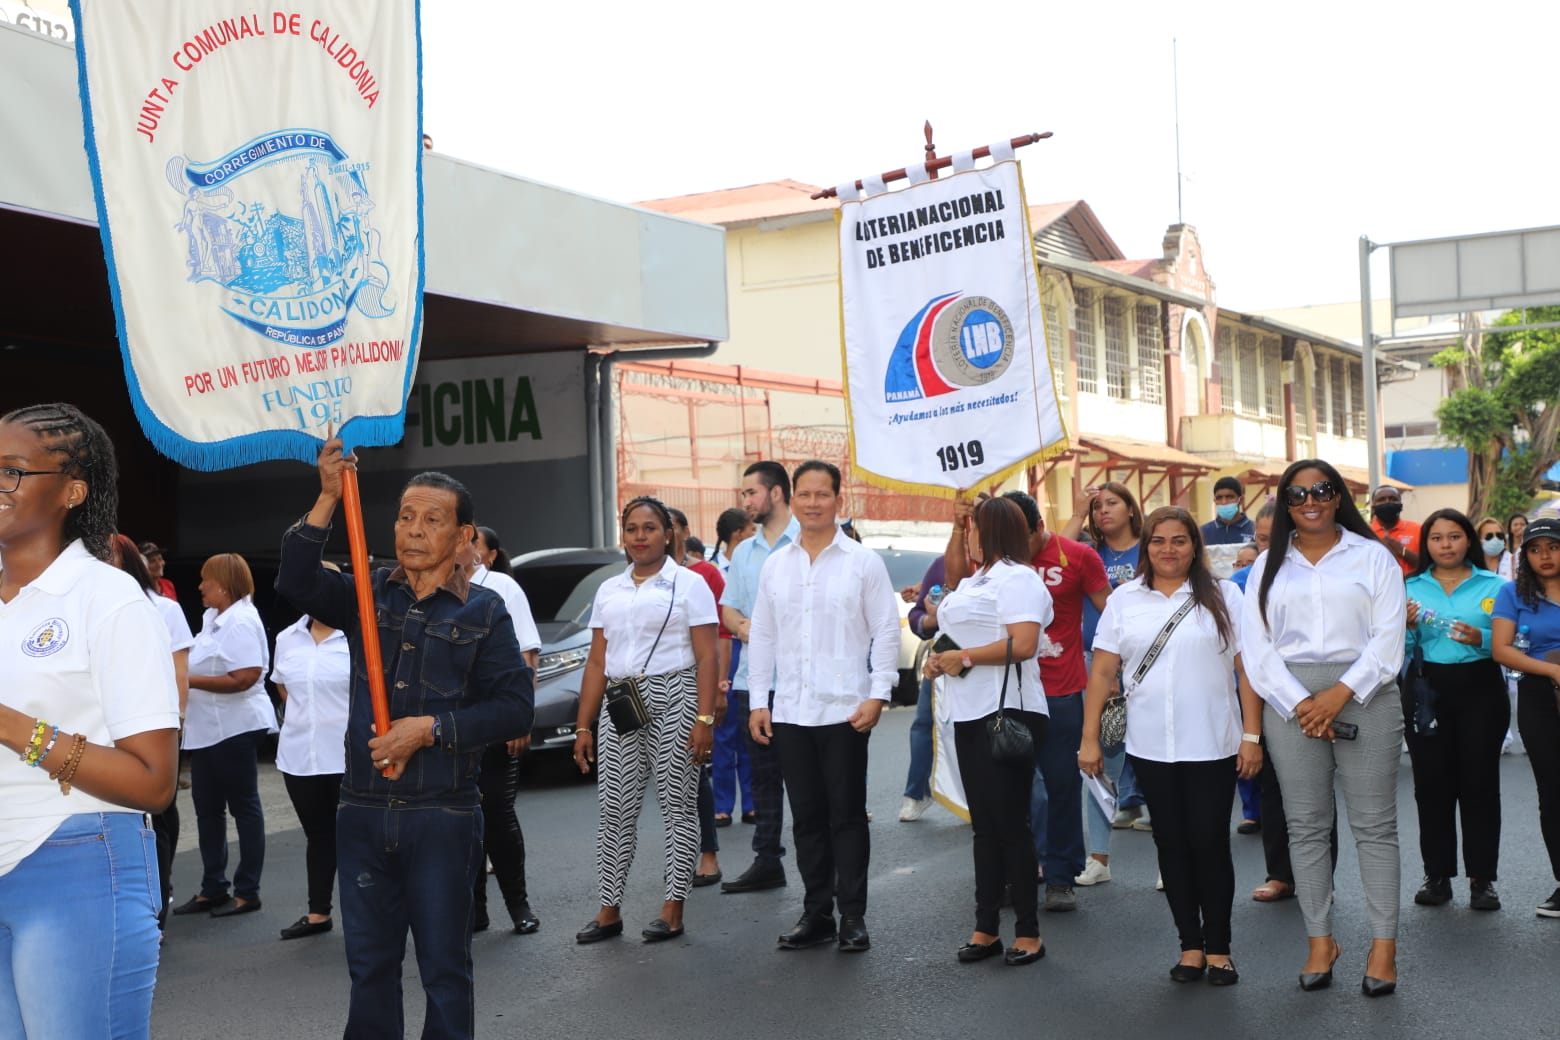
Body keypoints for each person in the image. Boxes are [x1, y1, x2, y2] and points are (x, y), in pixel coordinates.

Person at [275, 439, 533, 1040]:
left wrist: (432, 730)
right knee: (369, 968)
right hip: (361, 811)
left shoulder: (486, 613)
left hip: (441, 813)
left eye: (432, 519)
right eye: (405, 516)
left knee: (445, 969)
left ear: (465, 535)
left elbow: (515, 708)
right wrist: (328, 496)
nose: (414, 530)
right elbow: (295, 579)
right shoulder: (366, 592)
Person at [0, 402, 180, 1037]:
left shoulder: (108, 599)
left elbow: (154, 783)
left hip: (76, 861)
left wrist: (9, 723)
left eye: (12, 471)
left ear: (72, 491)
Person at [1241, 459, 1406, 997]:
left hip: (1366, 692)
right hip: (1291, 701)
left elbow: (1388, 641)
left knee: (1374, 828)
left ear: (1339, 497)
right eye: (1296, 494)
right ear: (1284, 503)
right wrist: (1301, 702)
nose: (1309, 500)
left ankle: (1384, 948)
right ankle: (1320, 940)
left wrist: (1338, 695)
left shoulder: (1373, 557)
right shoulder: (1268, 564)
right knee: (1306, 827)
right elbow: (1257, 650)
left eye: (1321, 490)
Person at [1080, 507, 1261, 986]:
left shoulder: (1226, 596)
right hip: (1149, 746)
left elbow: (1247, 671)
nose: (1168, 550)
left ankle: (1219, 947)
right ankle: (1190, 946)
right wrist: (1090, 738)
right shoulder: (1124, 600)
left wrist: (1251, 735)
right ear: (1146, 547)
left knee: (1208, 844)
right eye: (1158, 541)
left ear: (1194, 547)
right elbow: (1101, 672)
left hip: (1214, 743)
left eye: (1179, 541)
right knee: (1171, 844)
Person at [747, 461, 900, 952]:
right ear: (791, 501)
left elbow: (886, 630)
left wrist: (879, 693)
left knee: (847, 816)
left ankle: (852, 916)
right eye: (805, 494)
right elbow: (764, 637)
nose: (813, 503)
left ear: (839, 500)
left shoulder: (863, 562)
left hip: (846, 711)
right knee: (807, 817)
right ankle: (817, 914)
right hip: (791, 710)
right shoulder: (776, 564)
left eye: (823, 494)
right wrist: (758, 702)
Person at [572, 497, 718, 943]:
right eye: (631, 528)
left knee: (677, 803)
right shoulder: (609, 590)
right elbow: (597, 661)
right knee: (614, 806)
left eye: (650, 528)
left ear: (668, 533)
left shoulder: (689, 585)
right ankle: (608, 909)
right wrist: (583, 725)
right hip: (621, 699)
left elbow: (708, 654)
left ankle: (673, 907)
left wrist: (705, 718)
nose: (640, 536)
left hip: (676, 693)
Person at [952, 490, 1108, 908]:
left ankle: (1060, 876)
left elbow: (1111, 615)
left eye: (1018, 532)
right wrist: (957, 524)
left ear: (1039, 527)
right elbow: (951, 585)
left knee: (1060, 787)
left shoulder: (1078, 556)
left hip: (1060, 693)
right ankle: (1014, 873)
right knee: (1013, 794)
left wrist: (1109, 674)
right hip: (1003, 697)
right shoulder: (986, 566)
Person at [925, 497, 1053, 965]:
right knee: (984, 826)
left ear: (991, 531)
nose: (968, 535)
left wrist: (968, 657)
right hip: (968, 710)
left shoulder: (1019, 578)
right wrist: (941, 658)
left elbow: (1024, 643)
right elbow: (960, 633)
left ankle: (1029, 933)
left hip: (1011, 713)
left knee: (1010, 824)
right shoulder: (975, 580)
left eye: (972, 527)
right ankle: (985, 928)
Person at [1402, 509, 1509, 911]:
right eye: (1436, 538)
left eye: (1454, 536)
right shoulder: (1409, 586)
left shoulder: (1497, 586)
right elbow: (1387, 645)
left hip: (1481, 686)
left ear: (1469, 540)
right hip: (1427, 687)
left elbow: (1521, 638)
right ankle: (1438, 875)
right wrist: (1408, 627)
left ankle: (1482, 879)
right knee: (1431, 784)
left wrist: (1483, 637)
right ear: (1425, 544)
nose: (1445, 545)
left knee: (1480, 783)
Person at [174, 552, 275, 919]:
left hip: (234, 727)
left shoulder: (242, 621)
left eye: (206, 579)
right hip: (206, 731)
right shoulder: (212, 620)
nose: (200, 586)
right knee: (207, 811)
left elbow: (246, 676)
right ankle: (213, 886)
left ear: (225, 584)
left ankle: (248, 890)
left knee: (243, 808)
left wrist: (187, 680)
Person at [719, 461, 800, 894]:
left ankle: (819, 869)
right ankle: (767, 860)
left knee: (807, 781)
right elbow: (729, 607)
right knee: (762, 778)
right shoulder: (744, 552)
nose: (745, 501)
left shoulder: (808, 542)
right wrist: (741, 627)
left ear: (776, 493)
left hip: (801, 684)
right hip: (755, 681)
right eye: (744, 493)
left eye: (751, 493)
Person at [461, 527, 543, 936]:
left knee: (497, 813)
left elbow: (527, 654)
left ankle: (518, 904)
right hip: (451, 724)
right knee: (461, 816)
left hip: (494, 719)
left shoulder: (501, 587)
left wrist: (519, 717)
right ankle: (473, 909)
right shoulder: (426, 586)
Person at [111, 533, 193, 932]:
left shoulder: (163, 609)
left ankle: (159, 899)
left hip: (155, 722)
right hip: (108, 728)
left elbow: (180, 670)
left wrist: (176, 720)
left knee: (157, 813)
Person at [1063, 483, 1151, 837]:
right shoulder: (1088, 552)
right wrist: (1077, 511)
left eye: (1112, 503)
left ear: (1131, 508)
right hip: (1095, 659)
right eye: (1097, 506)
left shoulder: (1152, 548)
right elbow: (1057, 553)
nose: (1103, 511)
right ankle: (1124, 801)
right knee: (1106, 736)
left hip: (1144, 657)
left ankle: (1144, 799)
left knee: (1144, 734)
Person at [270, 563, 351, 940]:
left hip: (350, 754)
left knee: (358, 836)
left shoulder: (359, 634)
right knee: (318, 835)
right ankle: (319, 913)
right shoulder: (287, 637)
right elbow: (283, 687)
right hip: (300, 755)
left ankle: (367, 914)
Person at [1491, 516, 1560, 918]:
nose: (1544, 556)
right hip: (1538, 698)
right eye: (1535, 549)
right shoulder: (1512, 593)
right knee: (1553, 792)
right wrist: (1552, 670)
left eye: (1552, 546)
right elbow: (1501, 649)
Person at [667, 505, 729, 885]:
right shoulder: (636, 579)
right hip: (653, 693)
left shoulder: (702, 574)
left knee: (696, 771)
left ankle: (708, 856)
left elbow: (720, 634)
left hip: (696, 686)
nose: (659, 534)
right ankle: (678, 858)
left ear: (683, 531)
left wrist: (720, 687)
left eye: (667, 527)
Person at [710, 507, 756, 825]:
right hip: (723, 647)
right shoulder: (713, 570)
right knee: (723, 733)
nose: (755, 533)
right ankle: (722, 804)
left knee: (749, 730)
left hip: (749, 645)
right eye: (751, 529)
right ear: (738, 533)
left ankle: (752, 803)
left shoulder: (757, 563)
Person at [900, 552, 947, 822]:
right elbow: (918, 613)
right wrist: (931, 619)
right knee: (923, 723)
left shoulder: (1005, 562)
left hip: (990, 661)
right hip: (943, 656)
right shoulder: (941, 565)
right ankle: (916, 793)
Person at [1369, 485, 1421, 576]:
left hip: (1410, 588)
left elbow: (1429, 565)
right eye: (1381, 499)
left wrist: (1402, 551)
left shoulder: (1418, 529)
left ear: (1401, 505)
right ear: (1373, 507)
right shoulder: (1364, 532)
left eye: (1393, 499)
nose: (1388, 502)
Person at [1202, 475, 1256, 546]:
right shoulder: (1203, 532)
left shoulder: (1254, 530)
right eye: (1219, 498)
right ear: (1215, 501)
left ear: (1241, 500)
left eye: (1230, 497)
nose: (1224, 502)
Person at [712, 506, 754, 574]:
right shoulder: (714, 571)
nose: (755, 535)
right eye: (753, 530)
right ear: (739, 533)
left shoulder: (753, 564)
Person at [1500, 513, 1528, 581]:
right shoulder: (1502, 546)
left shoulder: (1529, 546)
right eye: (1515, 524)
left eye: (1522, 524)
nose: (1519, 527)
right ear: (1510, 528)